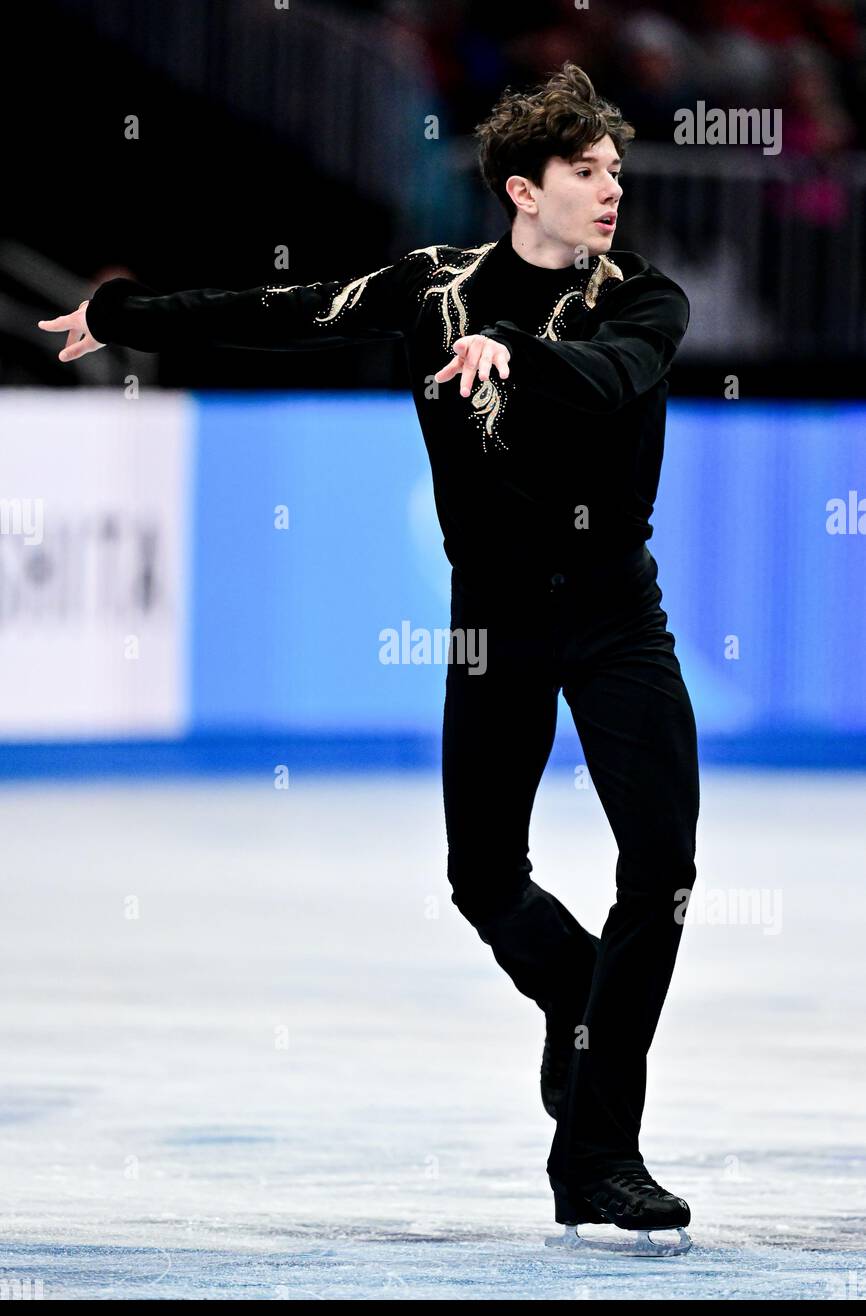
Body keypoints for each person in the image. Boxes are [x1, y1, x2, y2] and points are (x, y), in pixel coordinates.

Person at [39, 61, 698, 1241]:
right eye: (585, 173)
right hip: (494, 616)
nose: (610, 192)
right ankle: (579, 1001)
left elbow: (615, 374)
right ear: (519, 188)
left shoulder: (640, 298)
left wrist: (517, 351)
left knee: (662, 869)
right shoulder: (428, 287)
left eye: (613, 172)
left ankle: (596, 1155)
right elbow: (276, 310)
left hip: (612, 612)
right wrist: (125, 311)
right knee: (479, 875)